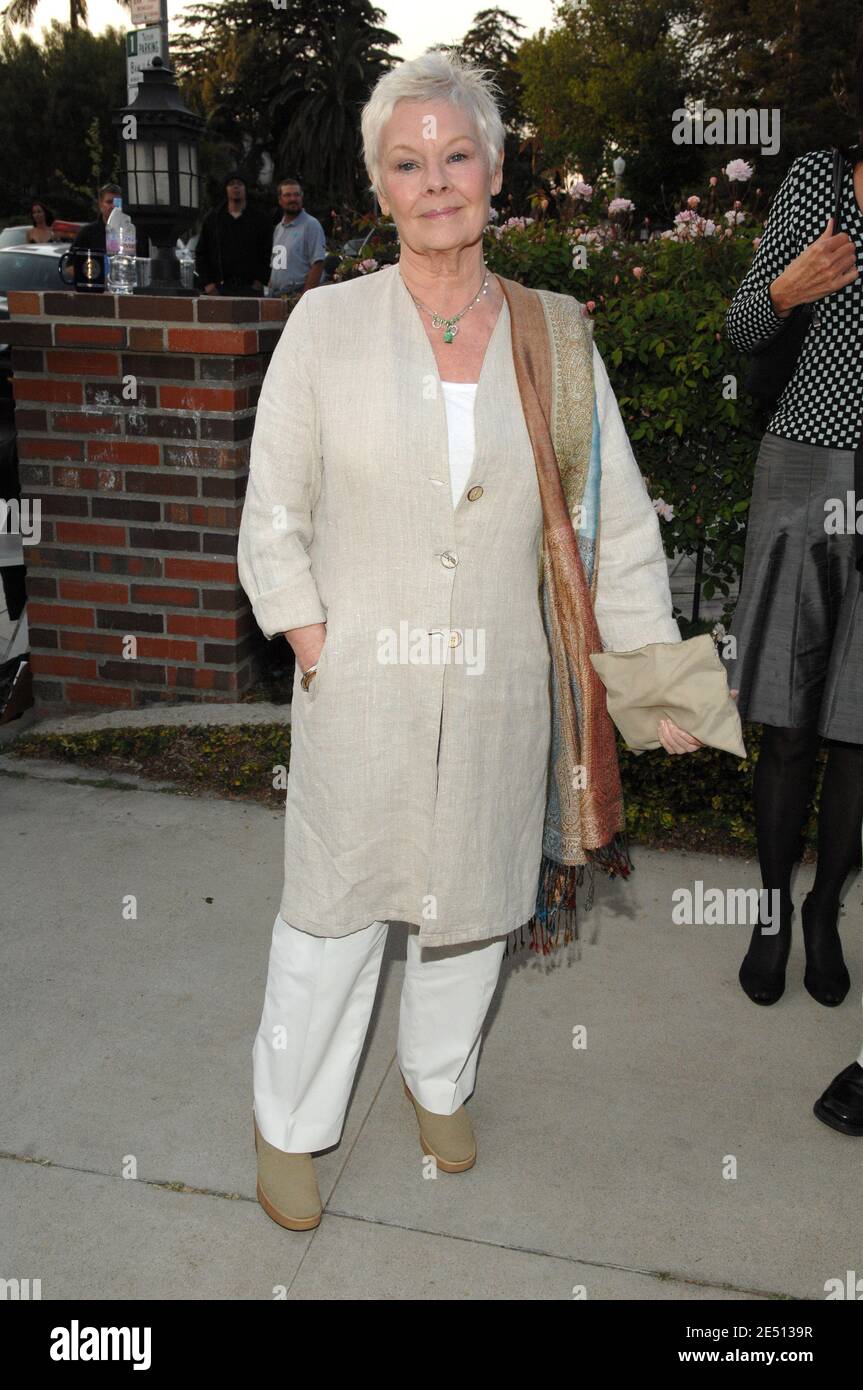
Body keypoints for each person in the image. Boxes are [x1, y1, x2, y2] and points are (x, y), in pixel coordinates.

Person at [237, 50, 703, 1233]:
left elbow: (610, 527)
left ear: (494, 170)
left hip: (502, 692)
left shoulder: (554, 337)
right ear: (378, 187)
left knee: (472, 914)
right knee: (333, 918)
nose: (434, 179)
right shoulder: (326, 325)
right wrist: (313, 642)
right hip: (360, 694)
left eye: (456, 154)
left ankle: (436, 1080)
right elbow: (271, 512)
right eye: (408, 162)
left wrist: (654, 685)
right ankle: (290, 1122)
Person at [723, 21, 863, 1010]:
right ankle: (771, 910)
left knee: (859, 732)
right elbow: (736, 329)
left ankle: (822, 914)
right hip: (799, 473)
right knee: (785, 722)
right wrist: (780, 288)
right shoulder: (814, 180)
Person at [195, 172, 272, 296]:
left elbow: (268, 251)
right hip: (220, 289)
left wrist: (260, 281)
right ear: (226, 189)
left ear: (245, 188)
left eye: (240, 184)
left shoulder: (260, 219)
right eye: (231, 184)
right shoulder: (213, 219)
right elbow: (201, 253)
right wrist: (208, 283)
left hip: (250, 288)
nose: (236, 187)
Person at [267, 177, 327, 297]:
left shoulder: (311, 225)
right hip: (276, 295)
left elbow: (318, 263)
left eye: (297, 195)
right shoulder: (278, 228)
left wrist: (304, 297)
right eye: (288, 195)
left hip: (297, 294)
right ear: (280, 200)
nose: (293, 199)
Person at [71, 183, 122, 255]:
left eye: (117, 202)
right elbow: (71, 265)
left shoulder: (131, 232)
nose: (113, 206)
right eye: (109, 202)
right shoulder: (87, 233)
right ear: (100, 204)